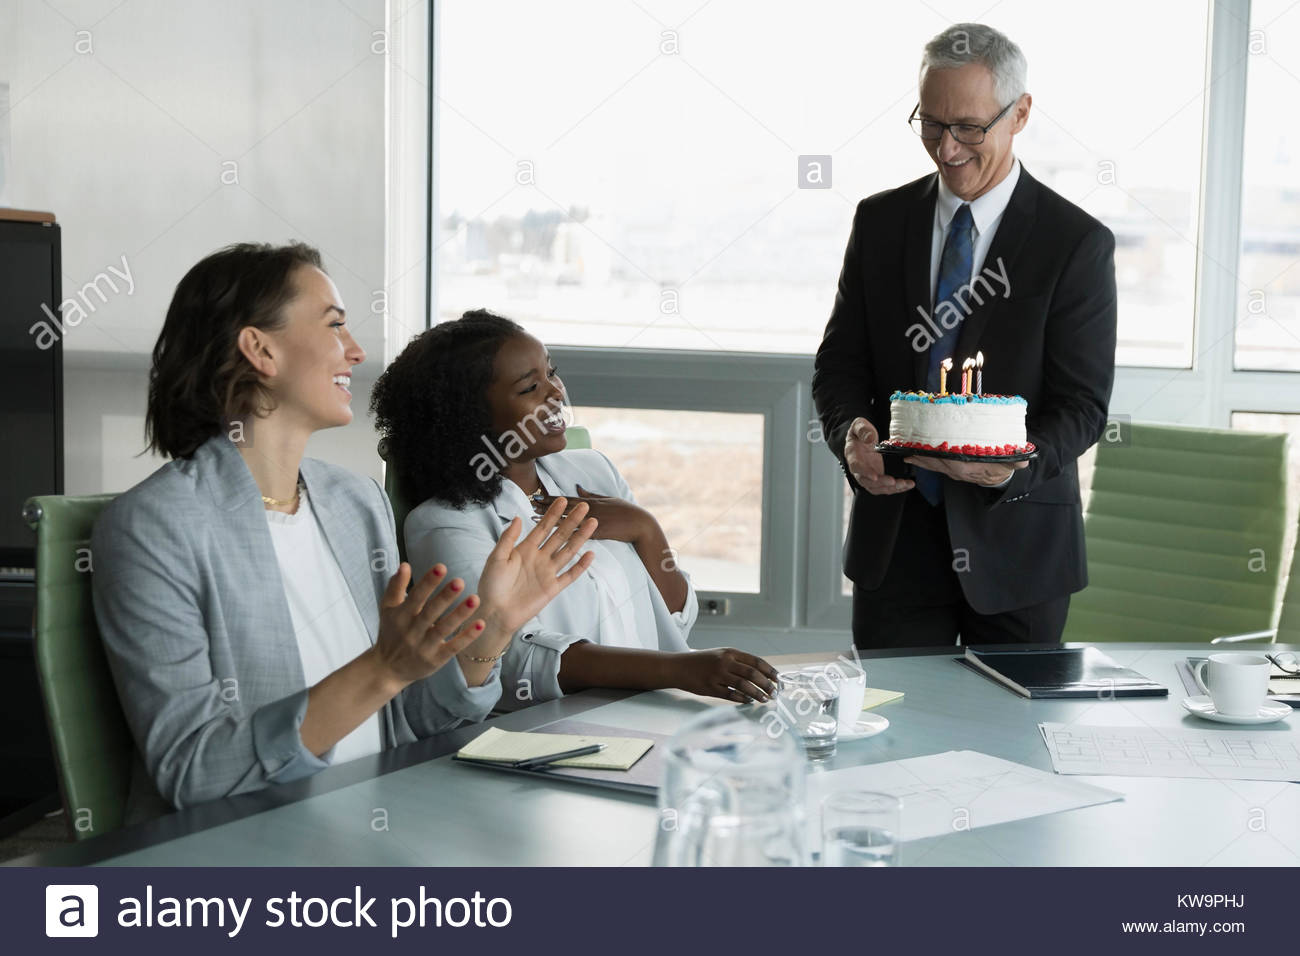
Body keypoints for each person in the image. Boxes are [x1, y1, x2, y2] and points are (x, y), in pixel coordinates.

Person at [91, 243, 597, 812]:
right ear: (260, 349)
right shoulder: (155, 528)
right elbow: (195, 773)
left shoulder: (355, 502)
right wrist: (382, 669)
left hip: (380, 821)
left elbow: (413, 722)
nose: (355, 352)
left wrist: (493, 634)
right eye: (334, 326)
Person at [812, 23, 1117, 649]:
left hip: (1020, 548)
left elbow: (1082, 406)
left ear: (1020, 113)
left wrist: (1010, 469)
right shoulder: (879, 222)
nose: (946, 149)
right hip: (896, 536)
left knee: (1009, 742)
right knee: (895, 740)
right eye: (931, 124)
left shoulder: (1076, 243)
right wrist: (851, 435)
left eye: (969, 129)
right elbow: (840, 363)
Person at [370, 310, 779, 709]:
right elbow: (512, 663)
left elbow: (673, 620)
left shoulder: (593, 471)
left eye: (551, 373)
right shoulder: (446, 523)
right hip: (547, 733)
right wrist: (678, 671)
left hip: (652, 714)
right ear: (469, 416)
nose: (557, 393)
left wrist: (646, 530)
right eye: (530, 388)